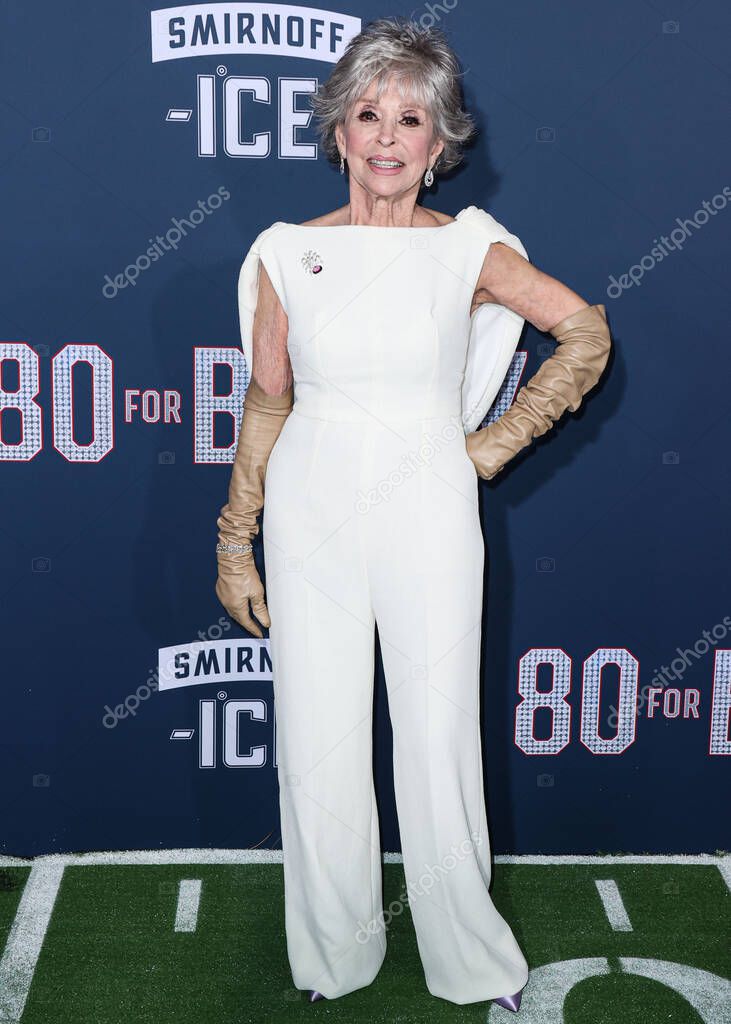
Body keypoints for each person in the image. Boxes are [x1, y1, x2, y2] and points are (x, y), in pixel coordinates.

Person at [215, 16, 611, 1010]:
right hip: (308, 516)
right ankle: (331, 959)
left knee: (437, 741)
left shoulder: (467, 248)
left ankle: (470, 961)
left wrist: (492, 444)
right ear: (337, 131)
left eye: (411, 118)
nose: (387, 136)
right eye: (368, 113)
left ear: (439, 146)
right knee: (317, 745)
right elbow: (267, 401)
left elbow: (581, 331)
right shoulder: (281, 252)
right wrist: (234, 541)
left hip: (431, 516)